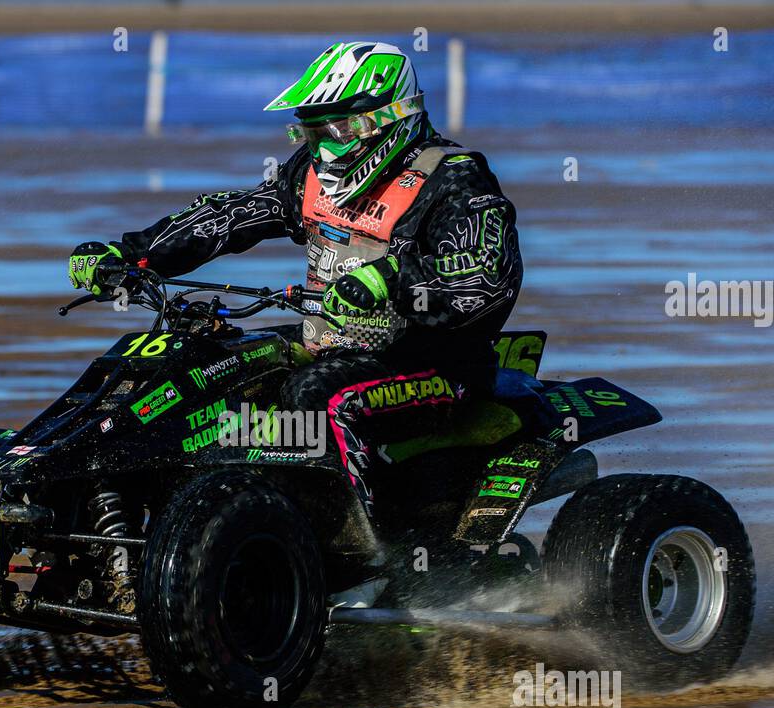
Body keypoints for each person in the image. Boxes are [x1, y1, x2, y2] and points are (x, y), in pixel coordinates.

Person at [69, 40, 523, 516]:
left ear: (390, 118)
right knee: (217, 368)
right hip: (333, 344)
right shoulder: (309, 174)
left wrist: (392, 279)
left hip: (437, 366)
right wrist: (132, 254)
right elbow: (232, 217)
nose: (325, 147)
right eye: (313, 131)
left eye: (339, 129)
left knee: (315, 397)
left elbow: (490, 276)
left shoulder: (453, 179)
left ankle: (359, 551)